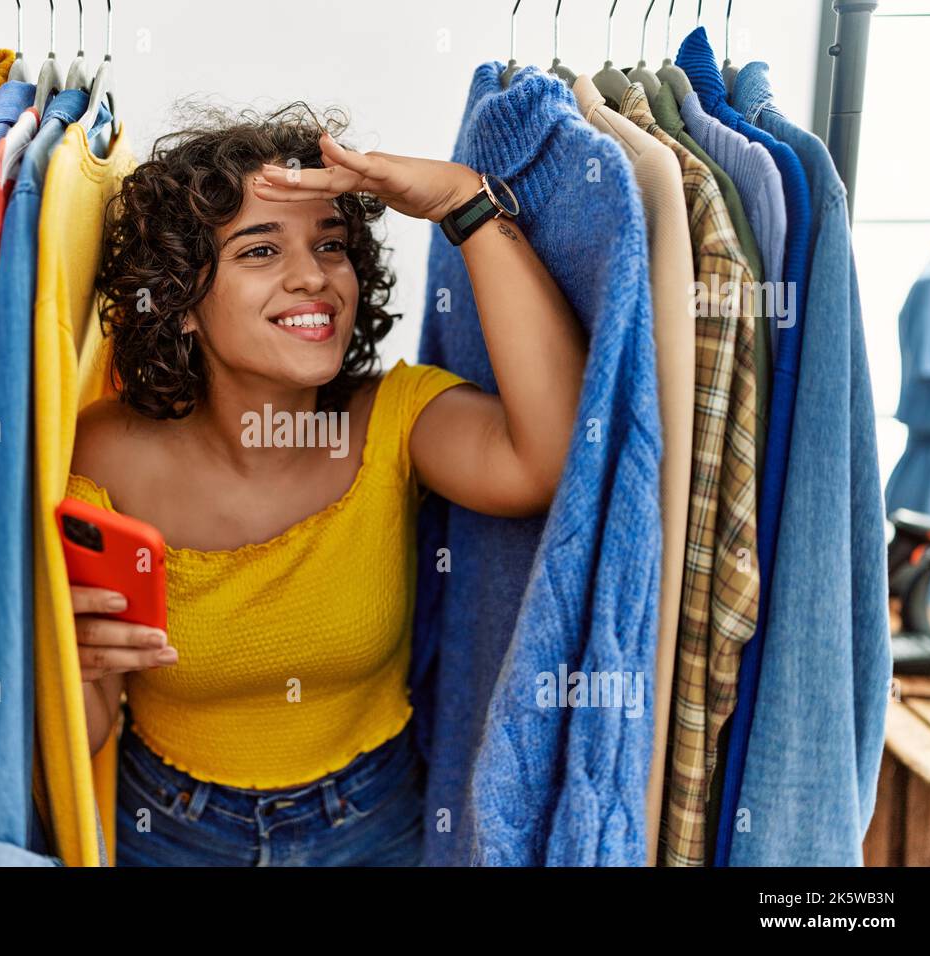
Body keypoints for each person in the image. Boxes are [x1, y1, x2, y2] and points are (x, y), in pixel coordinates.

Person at [66, 103, 587, 866]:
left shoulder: (395, 420)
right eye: (259, 251)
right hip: (167, 828)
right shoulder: (104, 456)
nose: (312, 275)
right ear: (180, 303)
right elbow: (89, 727)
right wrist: (66, 660)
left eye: (331, 244)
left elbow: (553, 461)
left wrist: (462, 203)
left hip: (372, 822)